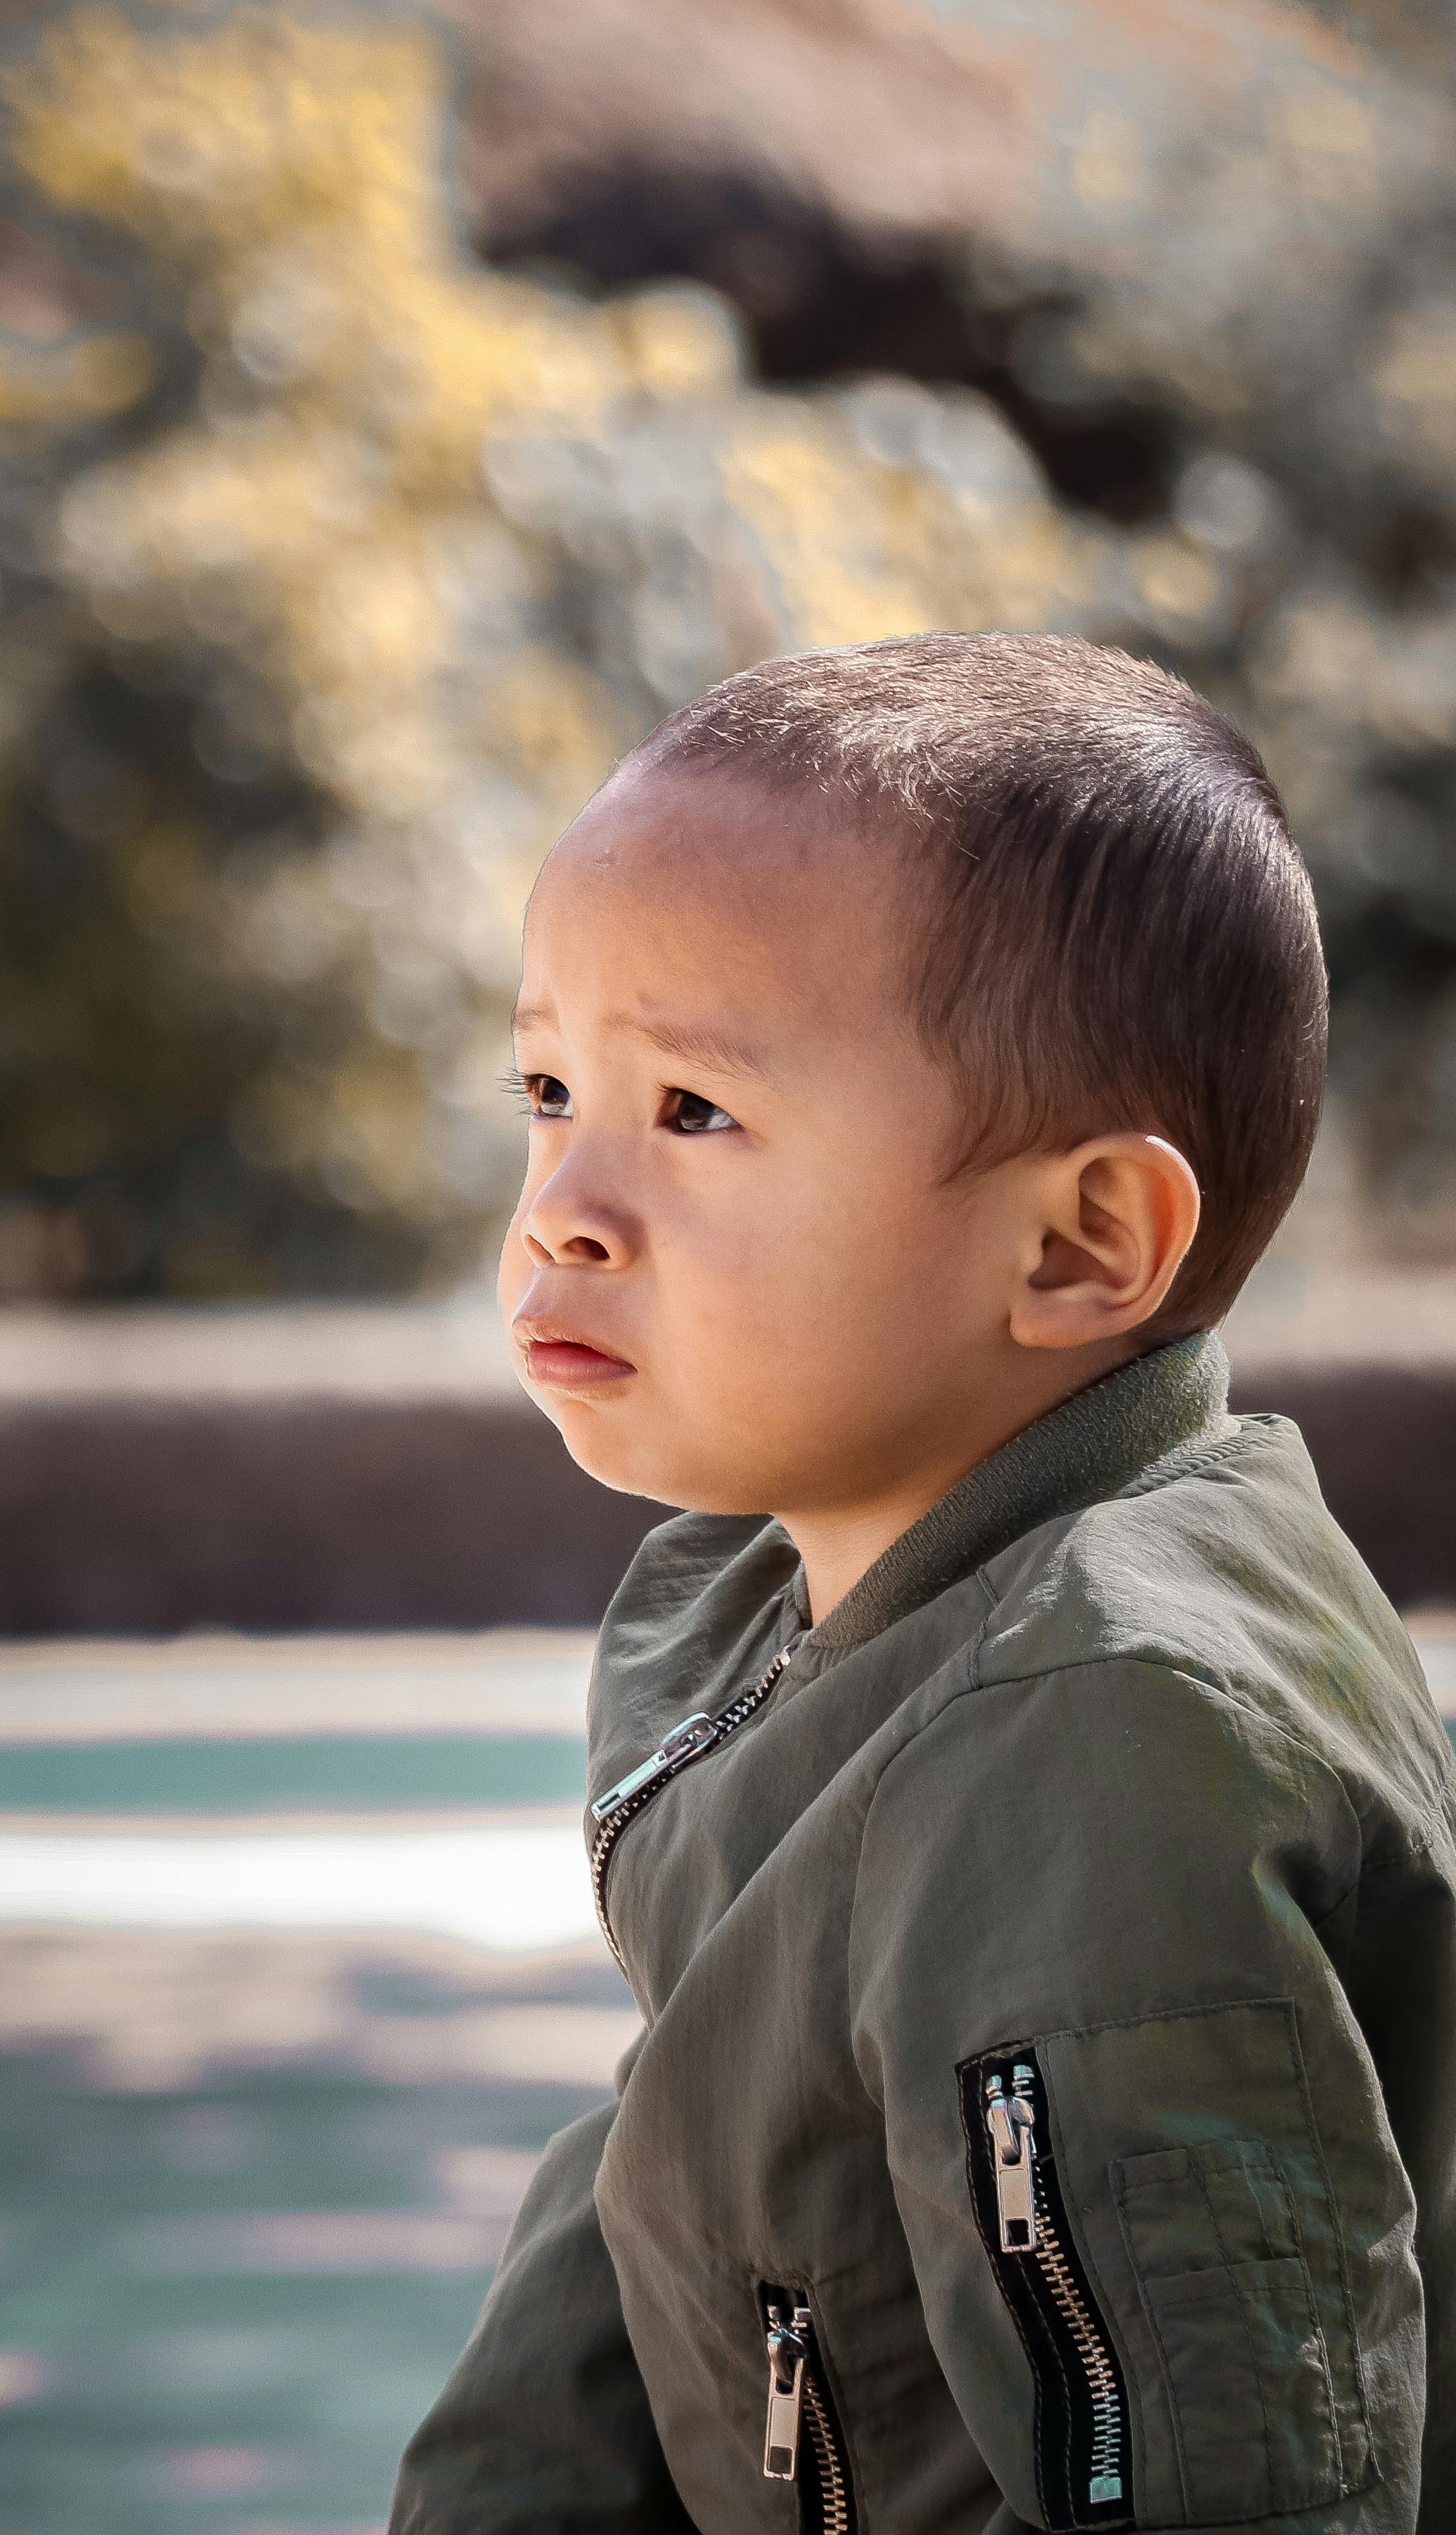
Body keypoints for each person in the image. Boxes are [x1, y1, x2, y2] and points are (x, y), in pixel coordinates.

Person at [389, 634, 1455, 2535]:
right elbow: (673, 2192)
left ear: (1078, 1243)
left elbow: (1224, 2460)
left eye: (693, 1113)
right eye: (550, 1088)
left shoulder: (1103, 1740)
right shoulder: (791, 1591)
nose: (563, 1198)